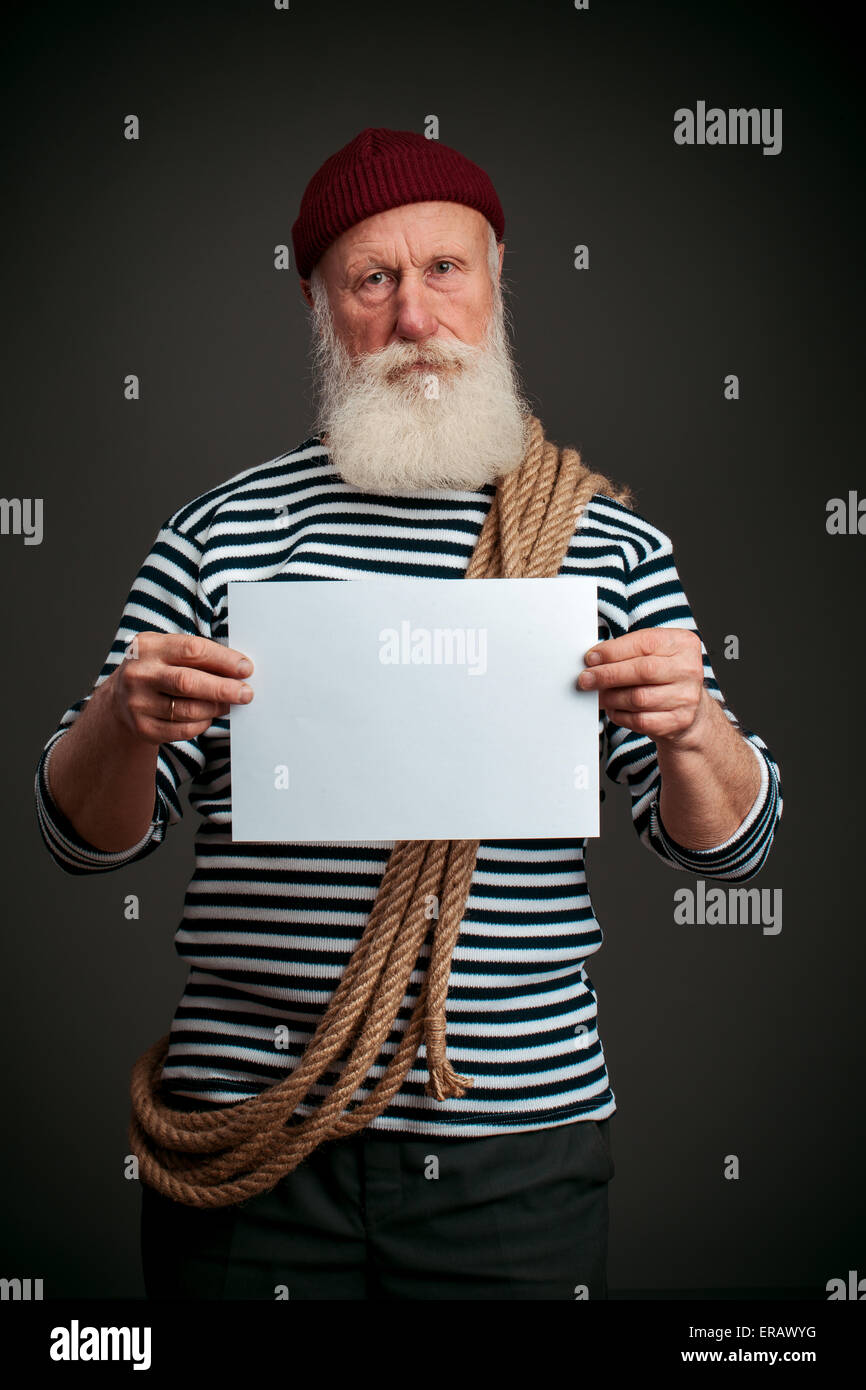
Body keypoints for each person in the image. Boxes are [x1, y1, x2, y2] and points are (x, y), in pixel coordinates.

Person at [34, 127, 783, 1301]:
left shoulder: (604, 543)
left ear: (496, 284)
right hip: (250, 1137)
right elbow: (86, 839)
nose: (415, 317)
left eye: (446, 269)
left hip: (512, 1146)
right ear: (318, 303)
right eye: (370, 278)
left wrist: (691, 729)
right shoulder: (218, 535)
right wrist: (123, 722)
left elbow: (728, 846)